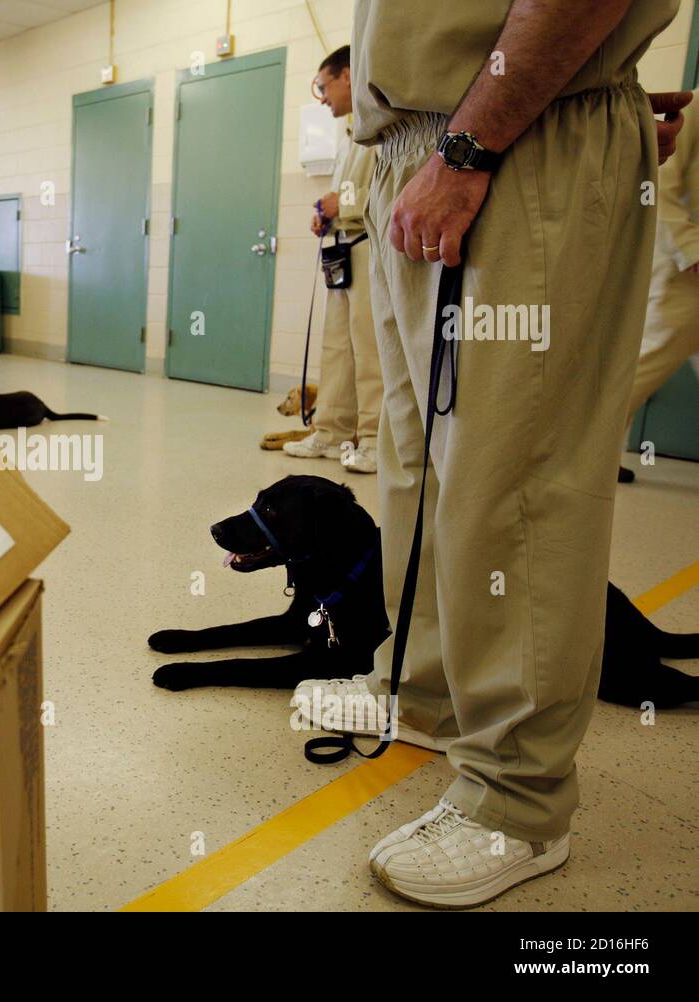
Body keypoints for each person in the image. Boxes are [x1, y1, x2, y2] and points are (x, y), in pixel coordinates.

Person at [294, 0, 687, 908]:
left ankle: (519, 797)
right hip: (422, 150)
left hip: (503, 142)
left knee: (512, 477)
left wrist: (472, 144)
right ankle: (426, 692)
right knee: (419, 462)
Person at [284, 45, 383, 474]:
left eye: (324, 87)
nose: (322, 98)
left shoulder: (383, 124)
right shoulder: (348, 134)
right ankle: (331, 432)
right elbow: (345, 195)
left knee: (370, 352)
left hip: (370, 246)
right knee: (337, 347)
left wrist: (338, 202)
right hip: (344, 246)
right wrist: (326, 211)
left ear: (347, 76)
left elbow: (387, 190)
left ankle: (378, 442)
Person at [620, 98, 699, 483]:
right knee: (640, 369)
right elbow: (662, 183)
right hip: (686, 270)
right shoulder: (697, 108)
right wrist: (691, 250)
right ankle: (579, 457)